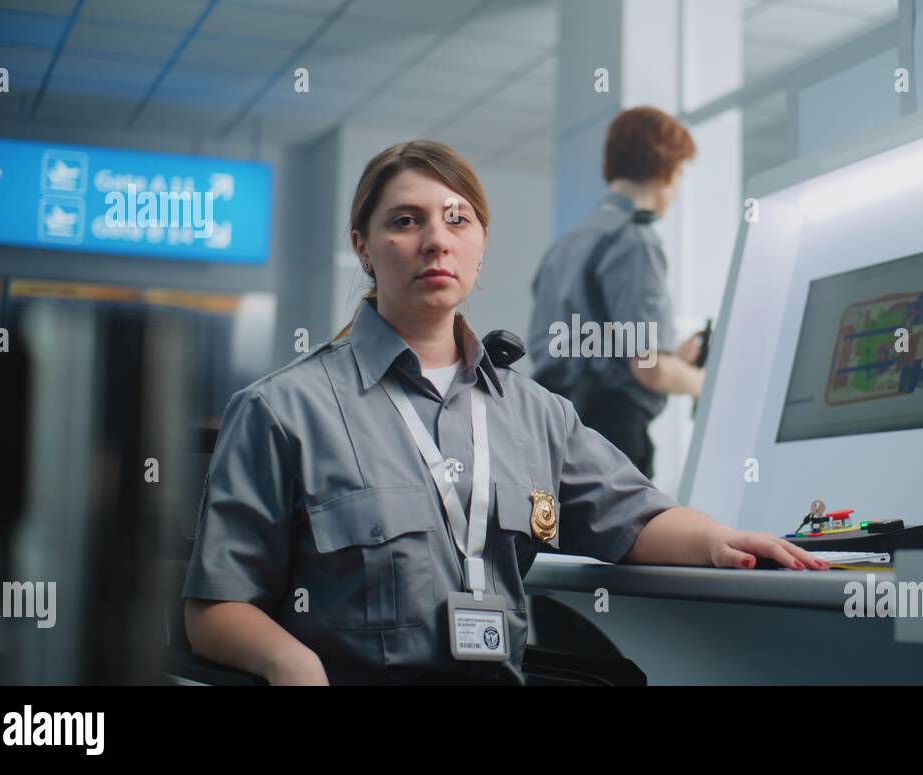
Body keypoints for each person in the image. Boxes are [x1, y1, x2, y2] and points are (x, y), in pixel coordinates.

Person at [182, 140, 827, 686]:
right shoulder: (281, 410)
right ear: (363, 246)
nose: (436, 239)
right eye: (405, 221)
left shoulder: (533, 412)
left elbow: (632, 517)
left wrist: (721, 541)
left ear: (481, 242)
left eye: (457, 220)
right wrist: (291, 663)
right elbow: (213, 607)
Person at [529, 106, 705, 478]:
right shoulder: (635, 241)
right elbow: (649, 368)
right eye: (679, 175)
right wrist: (703, 384)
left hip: (550, 429)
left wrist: (673, 356)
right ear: (665, 168)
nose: (675, 193)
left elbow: (591, 342)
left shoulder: (567, 244)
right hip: (608, 436)